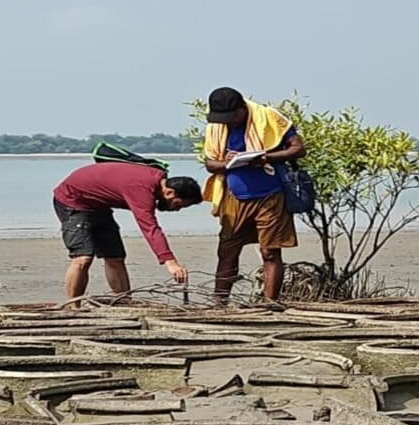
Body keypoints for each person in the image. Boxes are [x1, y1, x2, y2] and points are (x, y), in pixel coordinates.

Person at [202, 87, 306, 303]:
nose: (228, 123)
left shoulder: (268, 118)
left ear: (242, 109)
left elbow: (297, 149)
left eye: (232, 118)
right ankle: (219, 303)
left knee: (270, 251)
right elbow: (211, 164)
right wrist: (229, 162)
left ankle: (270, 304)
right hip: (234, 196)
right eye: (223, 119)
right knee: (227, 250)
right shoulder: (216, 128)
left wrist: (266, 157)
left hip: (270, 195)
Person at [52, 161, 202, 304]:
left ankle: (124, 302)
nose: (176, 210)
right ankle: (73, 307)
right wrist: (170, 262)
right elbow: (150, 228)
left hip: (98, 205)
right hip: (72, 200)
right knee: (83, 258)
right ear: (170, 192)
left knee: (115, 257)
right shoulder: (142, 189)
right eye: (178, 205)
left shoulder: (156, 179)